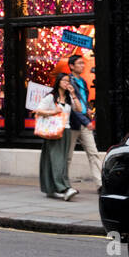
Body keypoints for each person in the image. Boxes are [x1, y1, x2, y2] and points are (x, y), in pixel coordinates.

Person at [36, 73, 76, 201]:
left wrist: (74, 94)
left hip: (66, 131)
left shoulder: (69, 97)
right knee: (56, 160)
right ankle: (64, 188)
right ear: (58, 81)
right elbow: (38, 111)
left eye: (68, 81)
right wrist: (53, 112)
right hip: (53, 131)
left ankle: (51, 189)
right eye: (64, 80)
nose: (67, 83)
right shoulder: (51, 97)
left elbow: (80, 109)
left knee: (62, 160)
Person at [65, 54, 102, 186]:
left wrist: (87, 110)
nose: (82, 65)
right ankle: (64, 184)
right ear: (71, 66)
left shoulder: (83, 81)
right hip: (73, 123)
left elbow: (83, 101)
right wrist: (86, 120)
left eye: (83, 63)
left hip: (84, 122)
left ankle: (100, 184)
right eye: (79, 63)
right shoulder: (67, 82)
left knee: (93, 153)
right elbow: (70, 106)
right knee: (68, 156)